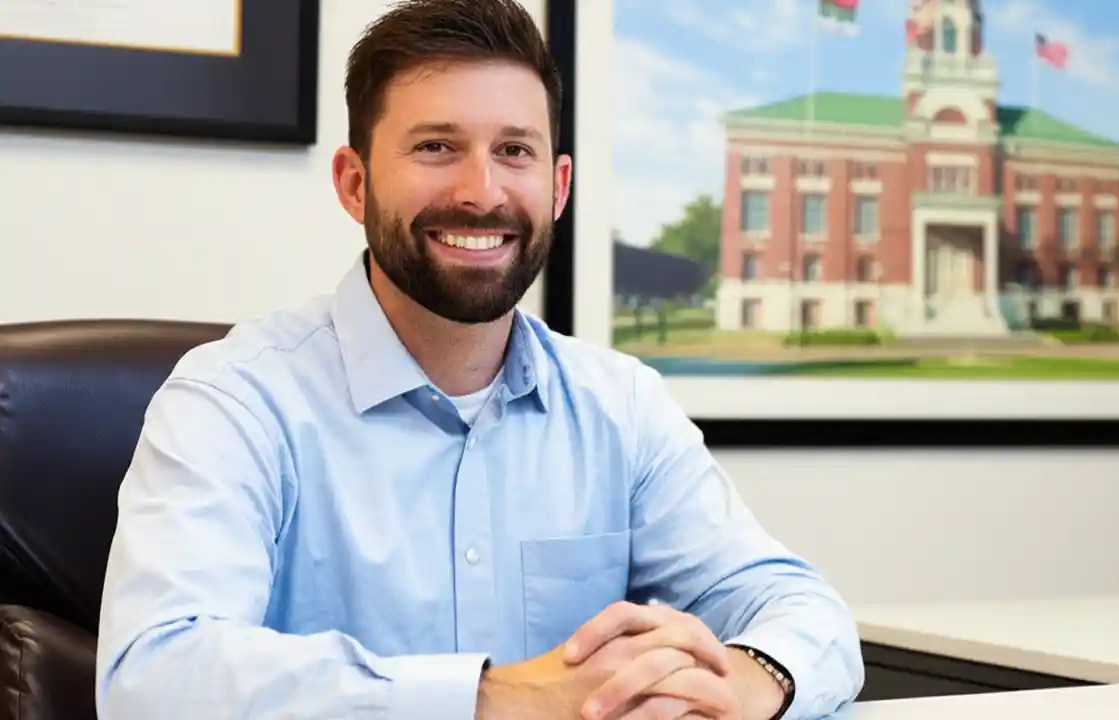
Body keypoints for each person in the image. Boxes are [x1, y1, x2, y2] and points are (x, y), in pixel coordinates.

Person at [94, 0, 865, 718]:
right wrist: (492, 699)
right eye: (437, 147)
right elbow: (151, 676)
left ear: (557, 187)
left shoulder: (621, 406)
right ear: (354, 183)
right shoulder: (233, 398)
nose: (482, 190)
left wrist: (749, 681)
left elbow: (799, 607)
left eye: (514, 151)